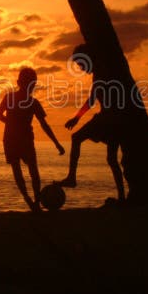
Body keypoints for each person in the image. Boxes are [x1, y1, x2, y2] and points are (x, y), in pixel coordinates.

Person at [60, 44, 125, 201]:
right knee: (111, 159)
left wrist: (76, 118)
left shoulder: (102, 73)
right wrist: (76, 118)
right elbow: (92, 100)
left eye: (81, 64)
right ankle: (122, 196)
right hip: (114, 120)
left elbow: (91, 100)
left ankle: (72, 178)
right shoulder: (101, 73)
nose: (81, 68)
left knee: (77, 138)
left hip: (108, 120)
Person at [0, 67, 65, 212]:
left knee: (31, 170)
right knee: (23, 170)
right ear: (20, 82)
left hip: (22, 138)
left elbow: (44, 125)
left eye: (32, 84)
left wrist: (57, 143)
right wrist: (12, 123)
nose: (31, 86)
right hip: (12, 138)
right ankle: (31, 201)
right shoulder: (11, 98)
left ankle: (35, 201)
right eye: (30, 83)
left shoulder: (33, 102)